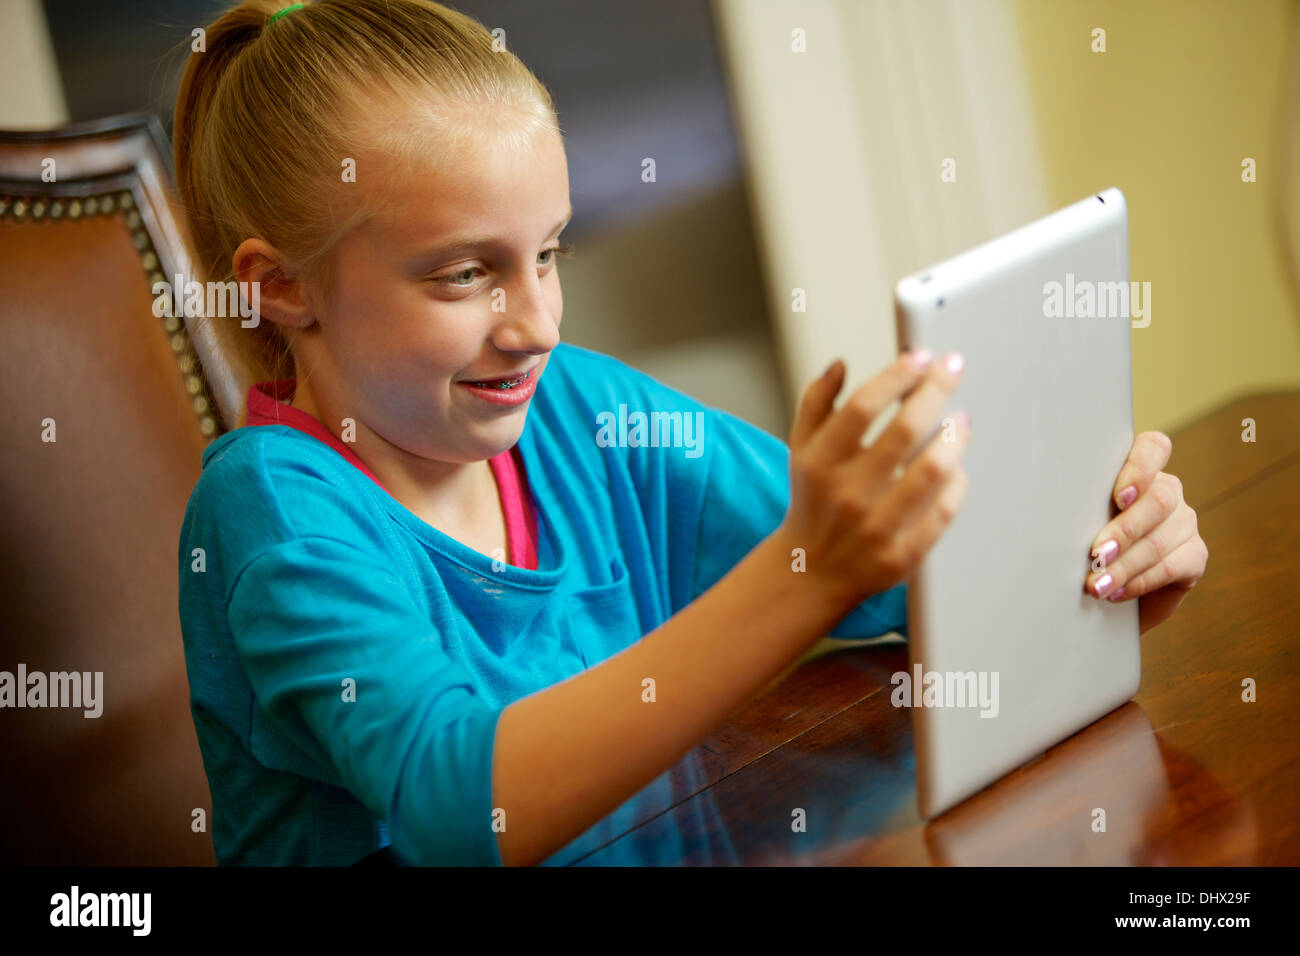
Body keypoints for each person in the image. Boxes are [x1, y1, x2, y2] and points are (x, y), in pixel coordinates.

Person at [174, 0, 1209, 867]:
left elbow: (922, 585)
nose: (536, 321)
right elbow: (458, 802)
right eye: (464, 272)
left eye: (549, 252)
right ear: (283, 288)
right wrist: (808, 574)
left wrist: (1103, 559)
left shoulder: (579, 409)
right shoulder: (274, 508)